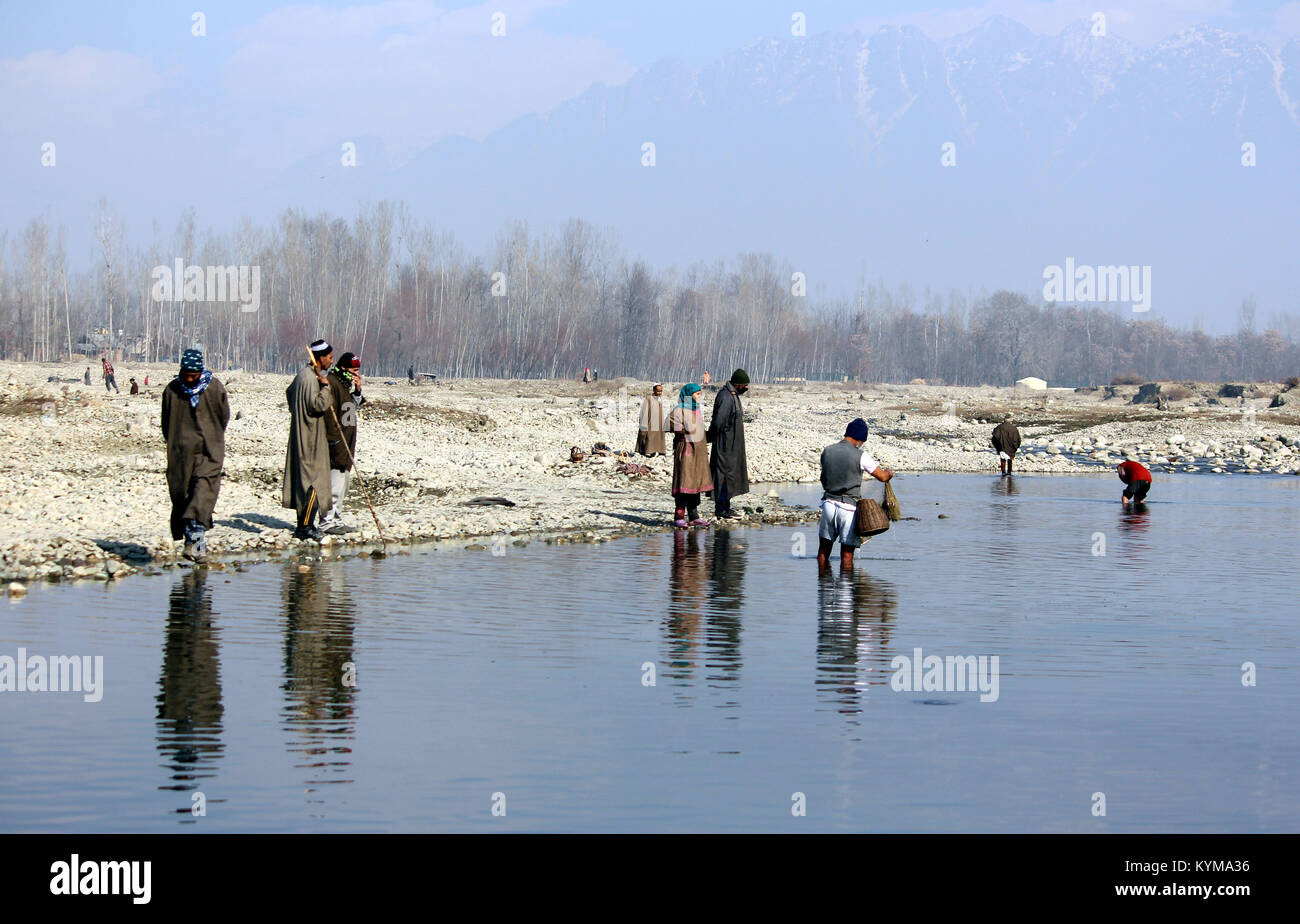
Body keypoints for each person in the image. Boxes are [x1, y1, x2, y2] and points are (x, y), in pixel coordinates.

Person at [161, 349, 229, 563]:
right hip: (181, 454)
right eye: (187, 375)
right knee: (184, 495)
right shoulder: (172, 391)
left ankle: (197, 542)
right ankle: (194, 543)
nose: (190, 379)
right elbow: (166, 422)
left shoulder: (214, 388)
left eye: (194, 375)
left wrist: (212, 435)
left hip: (209, 451)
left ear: (201, 371)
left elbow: (223, 416)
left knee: (203, 494)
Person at [817, 418, 893, 568]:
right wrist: (889, 473)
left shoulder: (827, 451)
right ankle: (846, 587)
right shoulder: (861, 455)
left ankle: (823, 586)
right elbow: (882, 477)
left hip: (828, 505)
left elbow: (823, 477)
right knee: (847, 555)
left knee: (823, 551)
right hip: (849, 509)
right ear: (860, 439)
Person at [282, 339, 336, 540]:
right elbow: (317, 406)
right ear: (321, 358)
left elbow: (289, 395)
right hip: (311, 437)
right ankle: (305, 527)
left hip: (300, 432)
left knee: (304, 480)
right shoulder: (312, 379)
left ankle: (305, 524)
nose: (332, 361)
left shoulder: (302, 376)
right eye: (330, 358)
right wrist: (325, 388)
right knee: (316, 482)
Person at [320, 352, 363, 534]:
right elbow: (330, 416)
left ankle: (337, 520)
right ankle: (326, 522)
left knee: (343, 485)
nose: (356, 374)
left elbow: (349, 410)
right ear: (344, 368)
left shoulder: (345, 385)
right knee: (334, 485)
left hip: (347, 441)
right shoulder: (332, 383)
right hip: (337, 442)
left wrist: (358, 391)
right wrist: (334, 440)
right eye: (354, 370)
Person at [707, 369, 750, 519]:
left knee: (730, 474)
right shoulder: (725, 397)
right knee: (723, 475)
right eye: (745, 385)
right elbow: (718, 422)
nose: (746, 388)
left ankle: (726, 506)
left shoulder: (733, 395)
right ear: (737, 385)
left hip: (733, 445)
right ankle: (721, 508)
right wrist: (709, 437)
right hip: (725, 445)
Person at [668, 384, 713, 527]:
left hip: (698, 451)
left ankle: (694, 516)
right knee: (684, 482)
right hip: (686, 449)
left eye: (700, 393)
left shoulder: (697, 409)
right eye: (696, 394)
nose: (699, 396)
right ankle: (679, 516)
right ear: (688, 395)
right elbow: (670, 425)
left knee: (695, 482)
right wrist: (686, 431)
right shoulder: (679, 409)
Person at [636, 383, 670, 456]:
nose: (659, 393)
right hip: (650, 421)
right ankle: (651, 451)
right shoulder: (649, 399)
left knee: (659, 436)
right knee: (650, 436)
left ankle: (660, 450)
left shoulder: (660, 399)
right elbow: (644, 411)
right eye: (658, 391)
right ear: (654, 390)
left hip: (659, 422)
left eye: (661, 391)